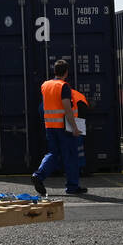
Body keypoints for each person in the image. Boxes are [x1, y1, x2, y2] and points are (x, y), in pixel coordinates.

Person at [31, 60, 87, 196]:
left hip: (50, 126)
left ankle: (38, 175)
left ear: (54, 71)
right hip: (64, 127)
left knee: (53, 154)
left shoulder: (45, 85)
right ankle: (72, 187)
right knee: (70, 156)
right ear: (66, 72)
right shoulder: (63, 86)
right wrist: (74, 127)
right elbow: (67, 108)